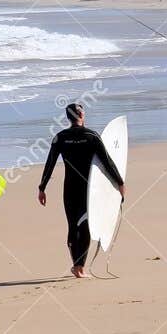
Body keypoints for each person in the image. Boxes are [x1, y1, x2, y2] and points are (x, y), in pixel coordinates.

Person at [37, 103, 125, 278]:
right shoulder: (92, 136)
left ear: (68, 118)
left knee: (72, 226)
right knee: (84, 226)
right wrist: (120, 183)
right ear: (82, 115)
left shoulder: (60, 138)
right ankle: (80, 267)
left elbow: (50, 164)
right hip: (89, 190)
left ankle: (76, 266)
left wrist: (42, 188)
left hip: (70, 188)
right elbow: (107, 162)